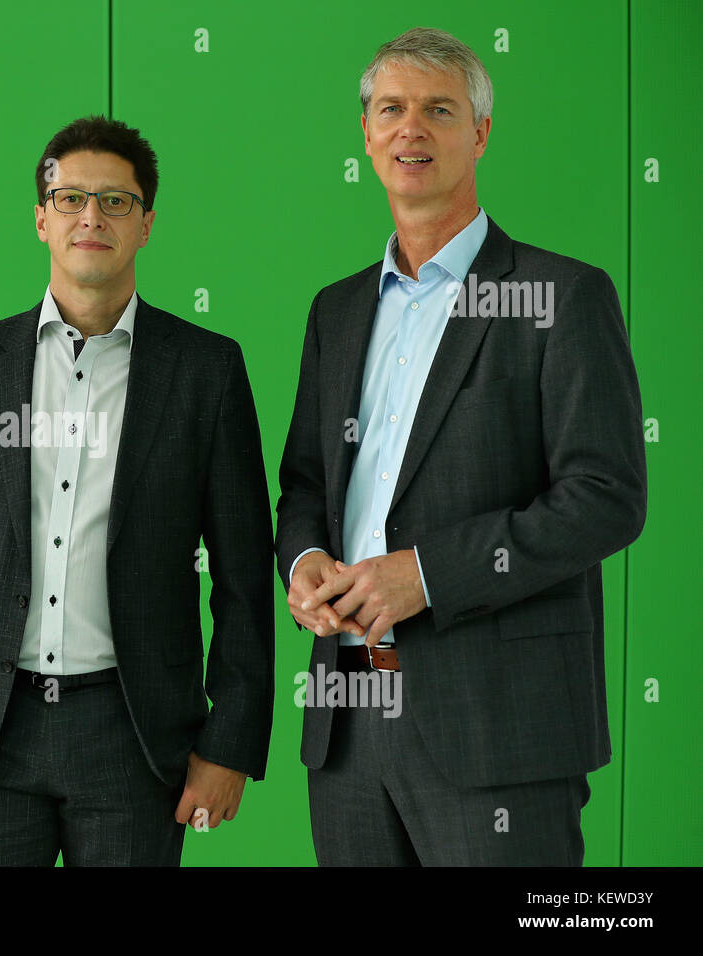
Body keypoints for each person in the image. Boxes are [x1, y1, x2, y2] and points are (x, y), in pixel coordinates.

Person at [275, 28, 647, 865]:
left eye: (438, 110)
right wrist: (302, 564)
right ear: (366, 134)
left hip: (500, 728)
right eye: (391, 109)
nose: (411, 129)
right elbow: (304, 485)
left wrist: (427, 574)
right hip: (347, 719)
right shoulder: (335, 312)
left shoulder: (560, 295)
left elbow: (607, 496)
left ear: (478, 134)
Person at [0, 116, 275, 866]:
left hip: (134, 737)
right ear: (41, 218)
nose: (91, 215)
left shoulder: (206, 372)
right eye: (69, 199)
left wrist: (231, 739)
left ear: (147, 224)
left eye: (116, 201)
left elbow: (244, 575)